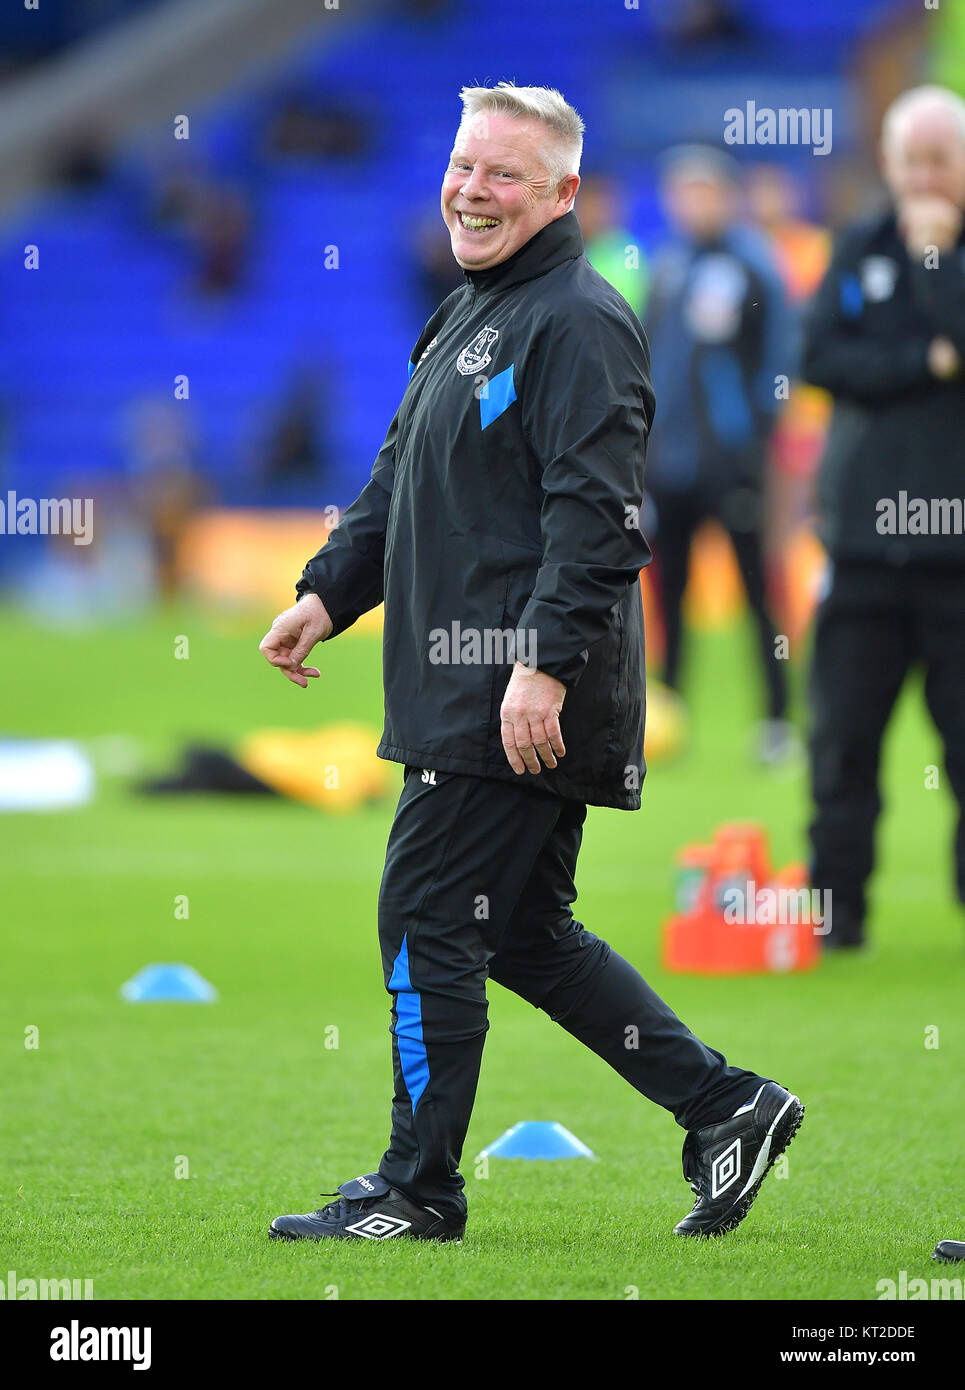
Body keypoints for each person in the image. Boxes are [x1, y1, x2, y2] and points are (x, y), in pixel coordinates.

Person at [258, 83, 803, 1243]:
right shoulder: (471, 310)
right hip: (473, 686)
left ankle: (416, 1187)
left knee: (422, 920)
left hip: (511, 689)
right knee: (516, 933)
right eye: (463, 165)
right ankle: (726, 1106)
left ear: (562, 194)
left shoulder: (578, 319)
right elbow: (400, 481)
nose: (471, 188)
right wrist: (324, 590)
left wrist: (540, 666)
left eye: (503, 173)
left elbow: (598, 515)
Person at [801, 85, 965, 950]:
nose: (925, 177)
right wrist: (926, 360)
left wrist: (938, 266)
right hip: (862, 546)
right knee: (841, 744)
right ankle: (836, 915)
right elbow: (818, 356)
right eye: (912, 161)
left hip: (957, 559)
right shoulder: (858, 242)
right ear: (891, 163)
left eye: (941, 159)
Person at [645, 146, 796, 764]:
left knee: (760, 590)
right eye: (681, 191)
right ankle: (665, 717)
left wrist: (755, 440)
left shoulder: (754, 265)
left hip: (733, 462)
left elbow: (780, 358)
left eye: (703, 191)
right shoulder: (668, 265)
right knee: (667, 594)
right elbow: (649, 361)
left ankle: (779, 719)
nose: (692, 203)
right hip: (668, 464)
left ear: (726, 196)